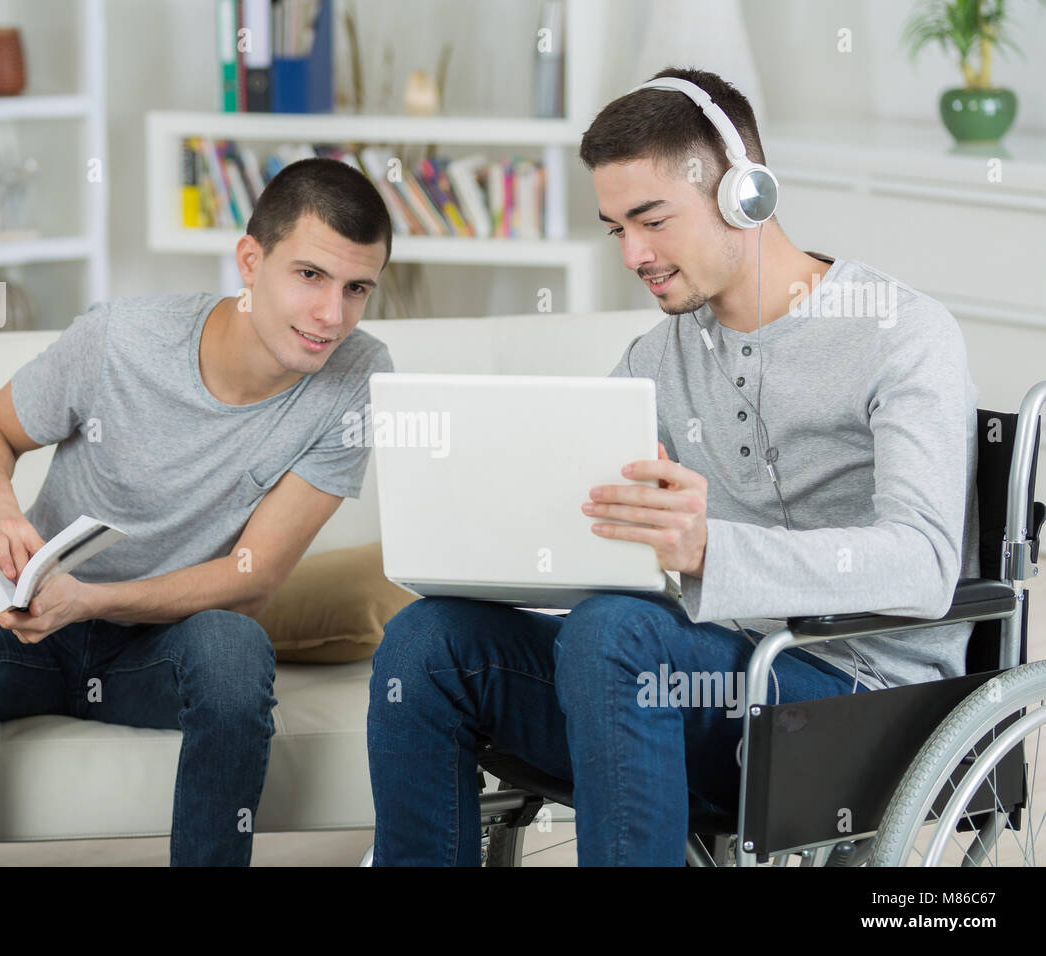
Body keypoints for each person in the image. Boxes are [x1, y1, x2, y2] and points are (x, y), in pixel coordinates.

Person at [367, 67, 980, 866]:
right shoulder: (654, 360)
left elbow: (926, 562)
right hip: (679, 691)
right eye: (615, 228)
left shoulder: (901, 334)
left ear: (744, 196)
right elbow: (588, 537)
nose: (634, 253)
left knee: (617, 634)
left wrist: (706, 551)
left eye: (652, 220)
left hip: (854, 704)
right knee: (427, 642)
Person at [0, 158, 394, 866]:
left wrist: (90, 601)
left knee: (233, 651)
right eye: (309, 276)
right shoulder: (121, 339)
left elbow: (255, 574)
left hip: (163, 645)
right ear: (251, 260)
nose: (330, 316)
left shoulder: (357, 378)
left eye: (356, 289)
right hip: (35, 625)